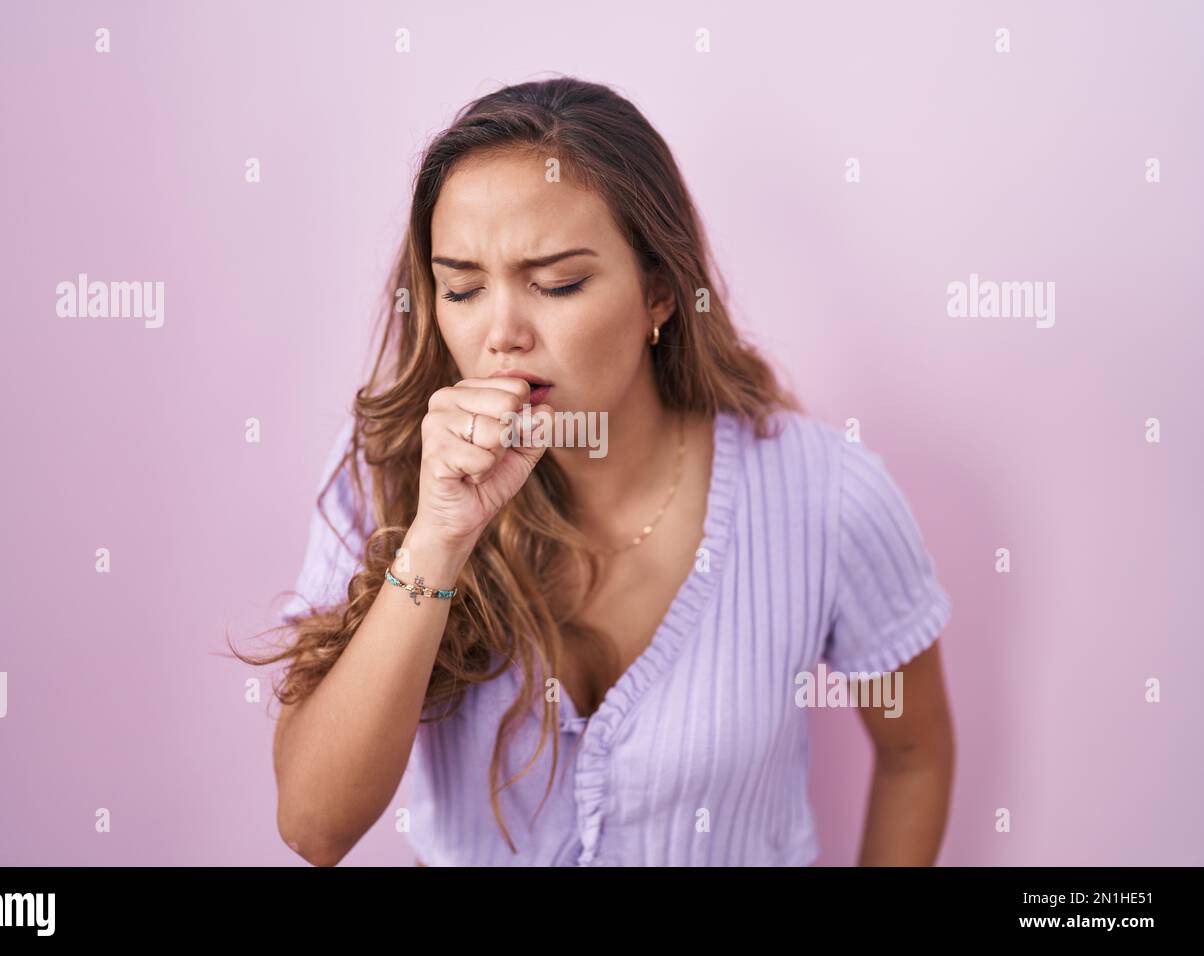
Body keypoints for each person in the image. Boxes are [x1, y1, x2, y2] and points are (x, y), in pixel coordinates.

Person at [235, 76, 954, 867]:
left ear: (657, 293)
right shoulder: (383, 473)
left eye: (557, 284)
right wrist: (438, 539)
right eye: (463, 289)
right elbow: (312, 825)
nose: (501, 334)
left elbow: (915, 755)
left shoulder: (826, 495)